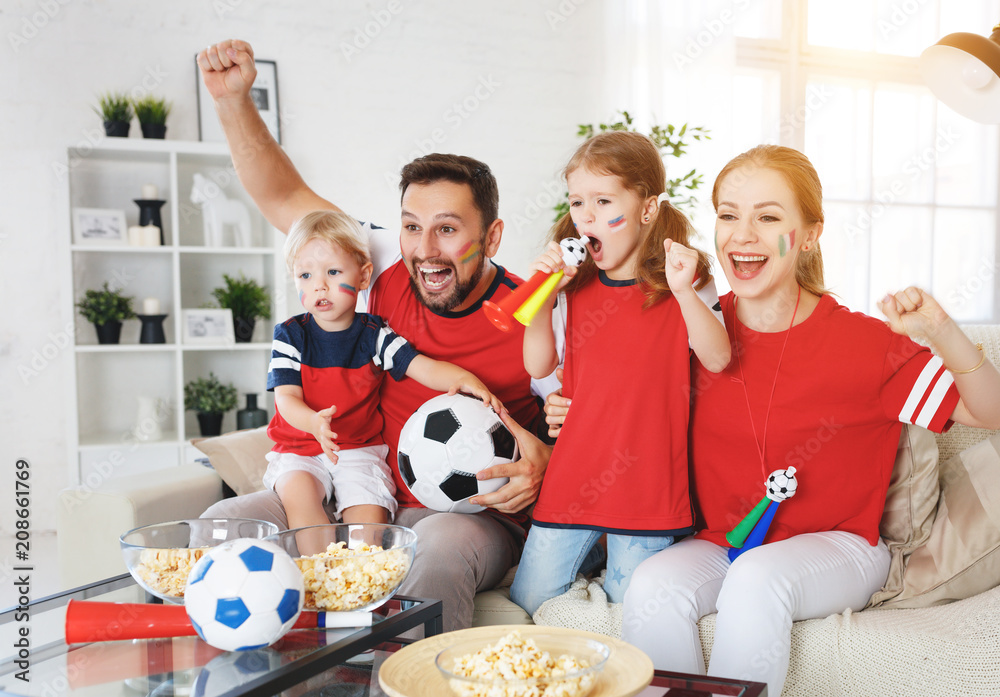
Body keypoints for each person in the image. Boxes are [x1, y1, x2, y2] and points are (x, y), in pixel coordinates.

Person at [608, 144, 1000, 696]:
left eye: (768, 218)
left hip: (840, 546)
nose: (741, 235)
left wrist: (940, 329)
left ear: (810, 234)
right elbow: (623, 408)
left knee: (755, 579)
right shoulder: (695, 328)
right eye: (728, 215)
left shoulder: (865, 344)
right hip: (725, 542)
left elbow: (989, 412)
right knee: (651, 583)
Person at [196, 39, 555, 631]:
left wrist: (546, 464)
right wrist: (234, 100)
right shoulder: (379, 264)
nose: (425, 249)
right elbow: (285, 198)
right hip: (358, 490)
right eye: (414, 227)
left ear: (492, 239)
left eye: (448, 230)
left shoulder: (538, 315)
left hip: (467, 517)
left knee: (434, 552)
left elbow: (594, 429)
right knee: (222, 525)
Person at [509, 131, 732, 616]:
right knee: (528, 598)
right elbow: (537, 365)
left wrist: (685, 292)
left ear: (648, 208)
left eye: (603, 200)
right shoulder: (573, 287)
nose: (585, 217)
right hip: (574, 472)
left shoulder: (682, 280)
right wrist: (544, 298)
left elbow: (717, 358)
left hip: (645, 483)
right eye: (576, 202)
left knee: (630, 609)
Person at [264, 210, 502, 531]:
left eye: (333, 272)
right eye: (305, 276)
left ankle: (360, 574)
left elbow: (422, 367)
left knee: (369, 519)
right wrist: (312, 422)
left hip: (358, 450)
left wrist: (462, 379)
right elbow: (286, 398)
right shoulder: (290, 335)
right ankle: (319, 575)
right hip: (299, 450)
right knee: (300, 499)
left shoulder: (374, 335)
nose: (319, 286)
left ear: (363, 277)